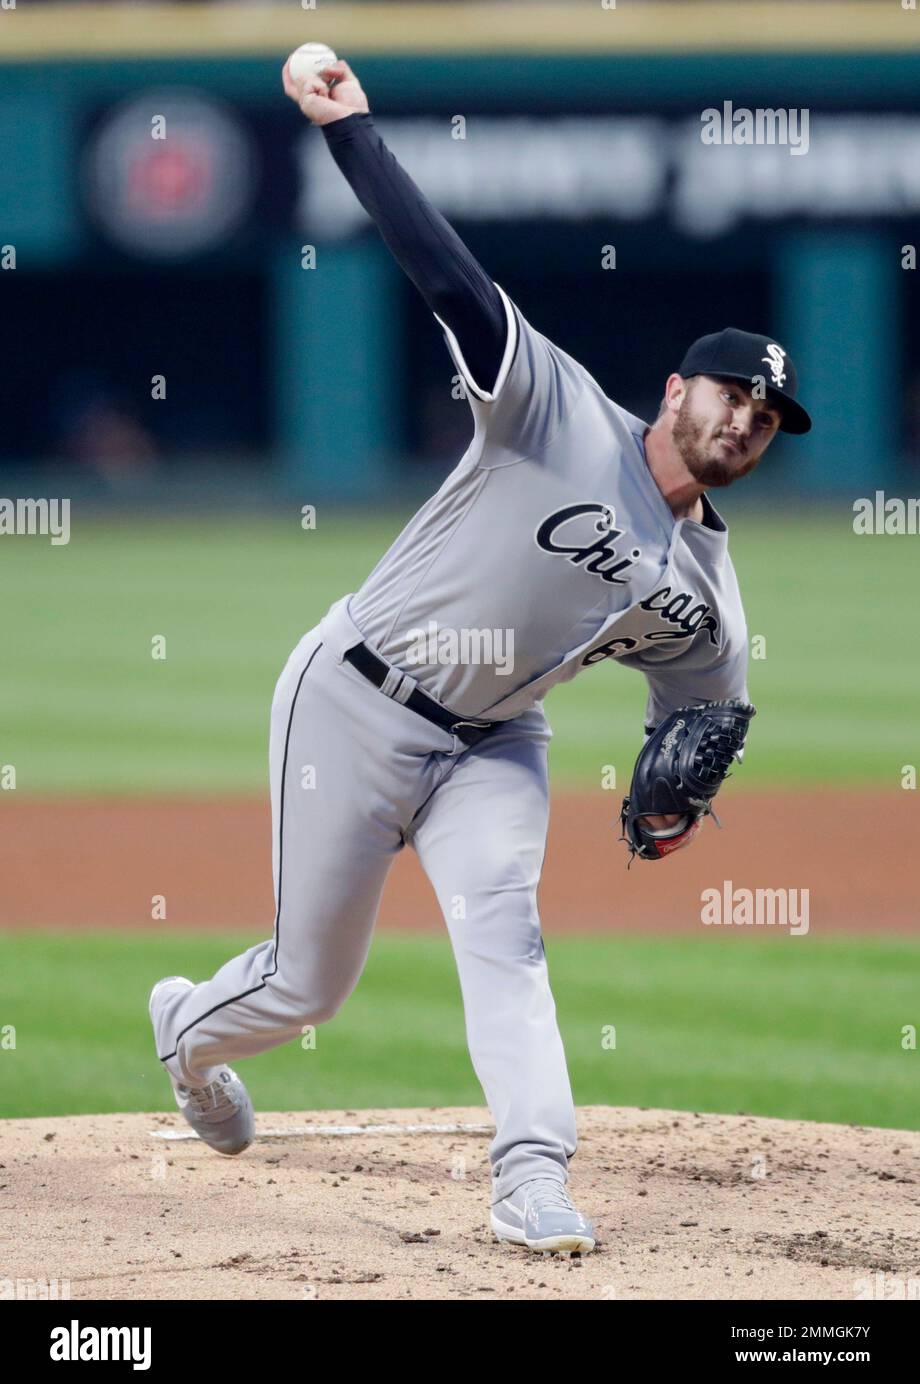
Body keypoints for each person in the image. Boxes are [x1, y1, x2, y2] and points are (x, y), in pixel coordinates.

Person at [148, 57, 811, 1258]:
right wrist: (350, 131)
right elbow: (444, 270)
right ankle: (187, 1041)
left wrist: (674, 806)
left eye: (764, 419)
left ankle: (530, 1173)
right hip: (350, 699)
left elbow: (707, 717)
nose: (745, 420)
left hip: (495, 744)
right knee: (307, 987)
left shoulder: (709, 596)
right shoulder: (552, 404)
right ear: (675, 390)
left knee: (505, 934)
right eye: (730, 396)